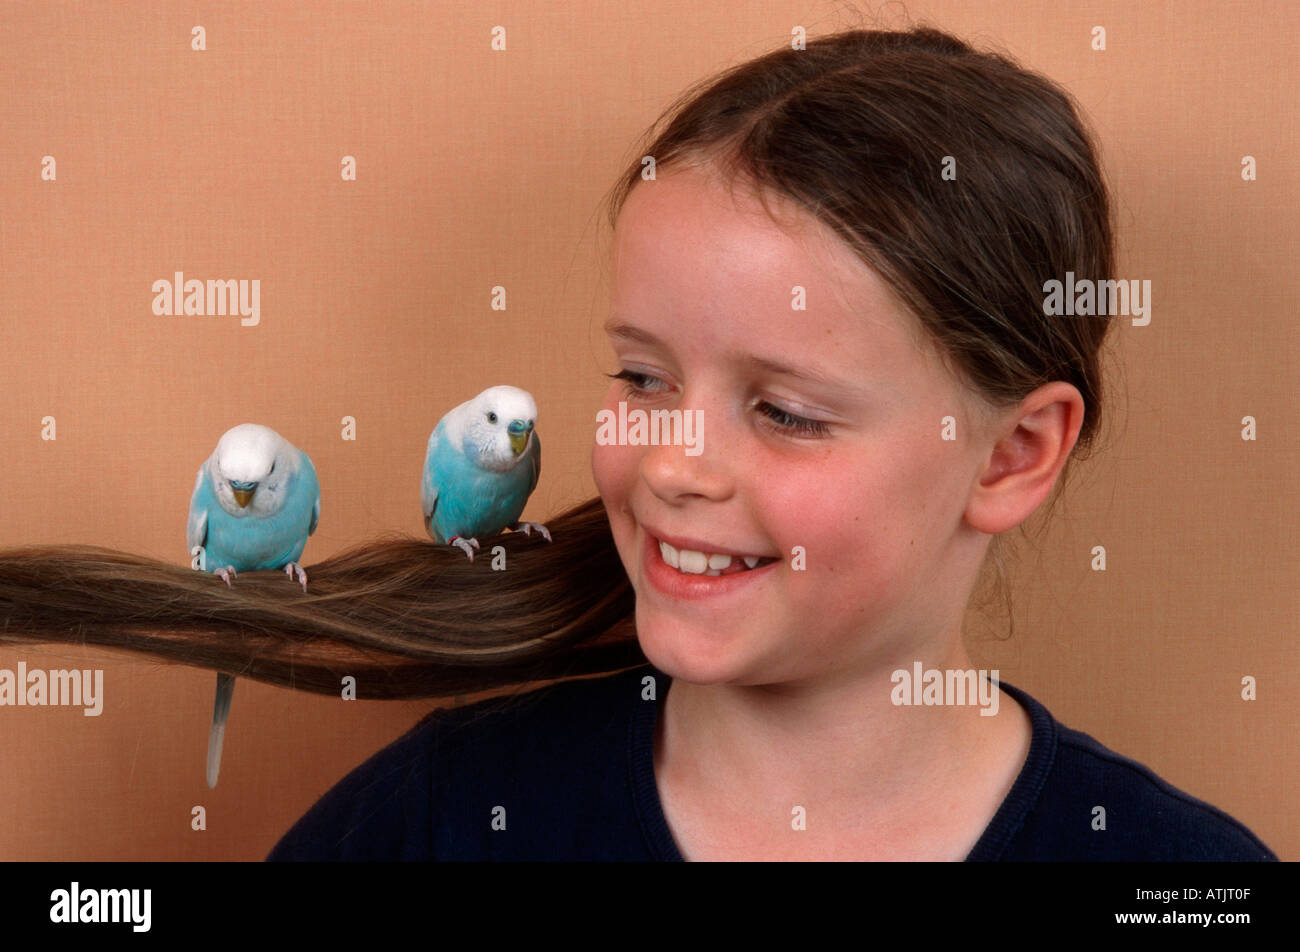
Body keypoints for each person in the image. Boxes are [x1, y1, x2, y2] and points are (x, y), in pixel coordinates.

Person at [0, 26, 1278, 862]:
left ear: (1009, 455)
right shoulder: (437, 826)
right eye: (640, 375)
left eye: (783, 410)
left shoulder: (1177, 879)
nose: (671, 462)